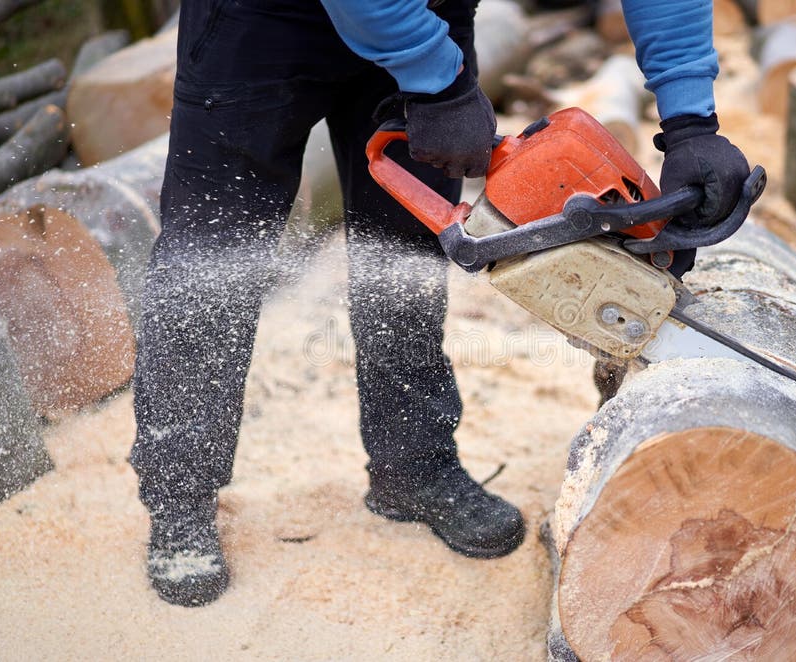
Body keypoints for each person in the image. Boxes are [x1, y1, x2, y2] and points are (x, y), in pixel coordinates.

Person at [129, 0, 750, 607]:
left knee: (413, 247)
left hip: (429, 11)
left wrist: (691, 119)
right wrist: (437, 81)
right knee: (209, 259)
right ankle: (180, 494)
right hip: (258, 26)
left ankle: (413, 466)